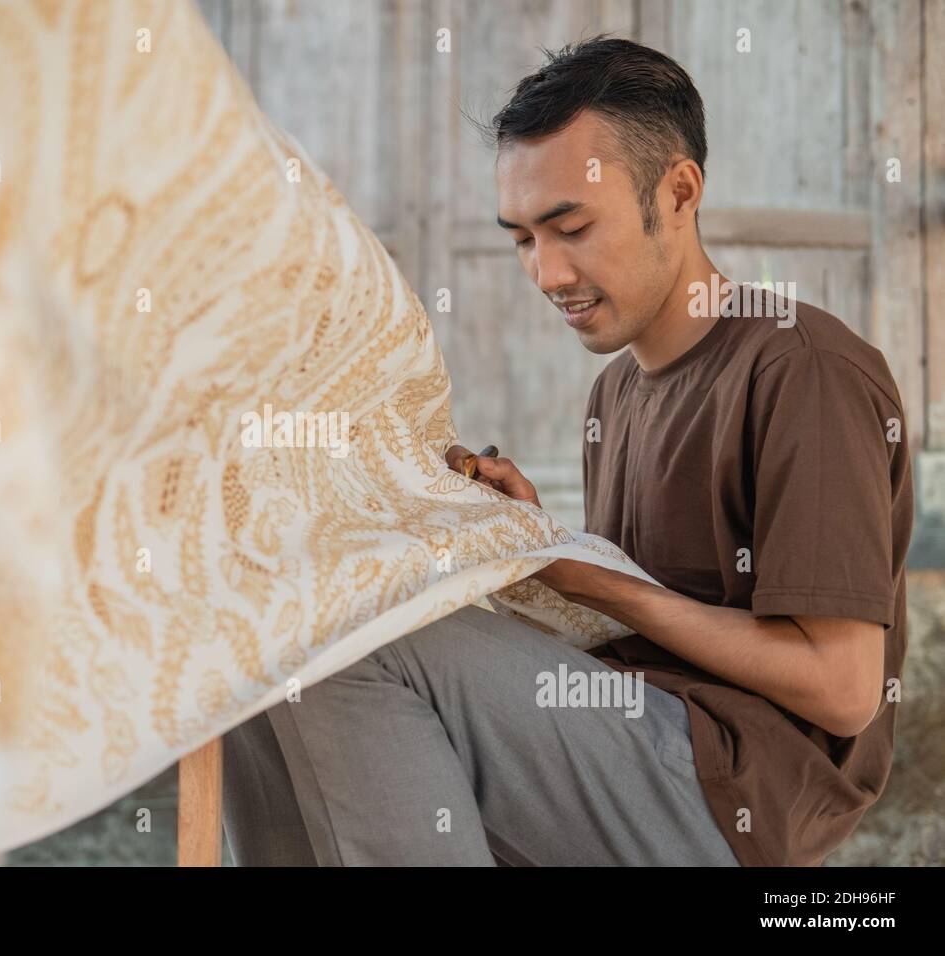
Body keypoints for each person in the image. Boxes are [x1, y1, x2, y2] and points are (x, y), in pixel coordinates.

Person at [221, 35, 913, 866]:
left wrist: (601, 582)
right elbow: (642, 621)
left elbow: (843, 691)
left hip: (731, 796)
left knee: (353, 641)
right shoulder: (617, 393)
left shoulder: (802, 368)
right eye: (521, 239)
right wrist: (536, 553)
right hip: (627, 738)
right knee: (260, 649)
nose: (547, 273)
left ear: (681, 191)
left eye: (571, 226)